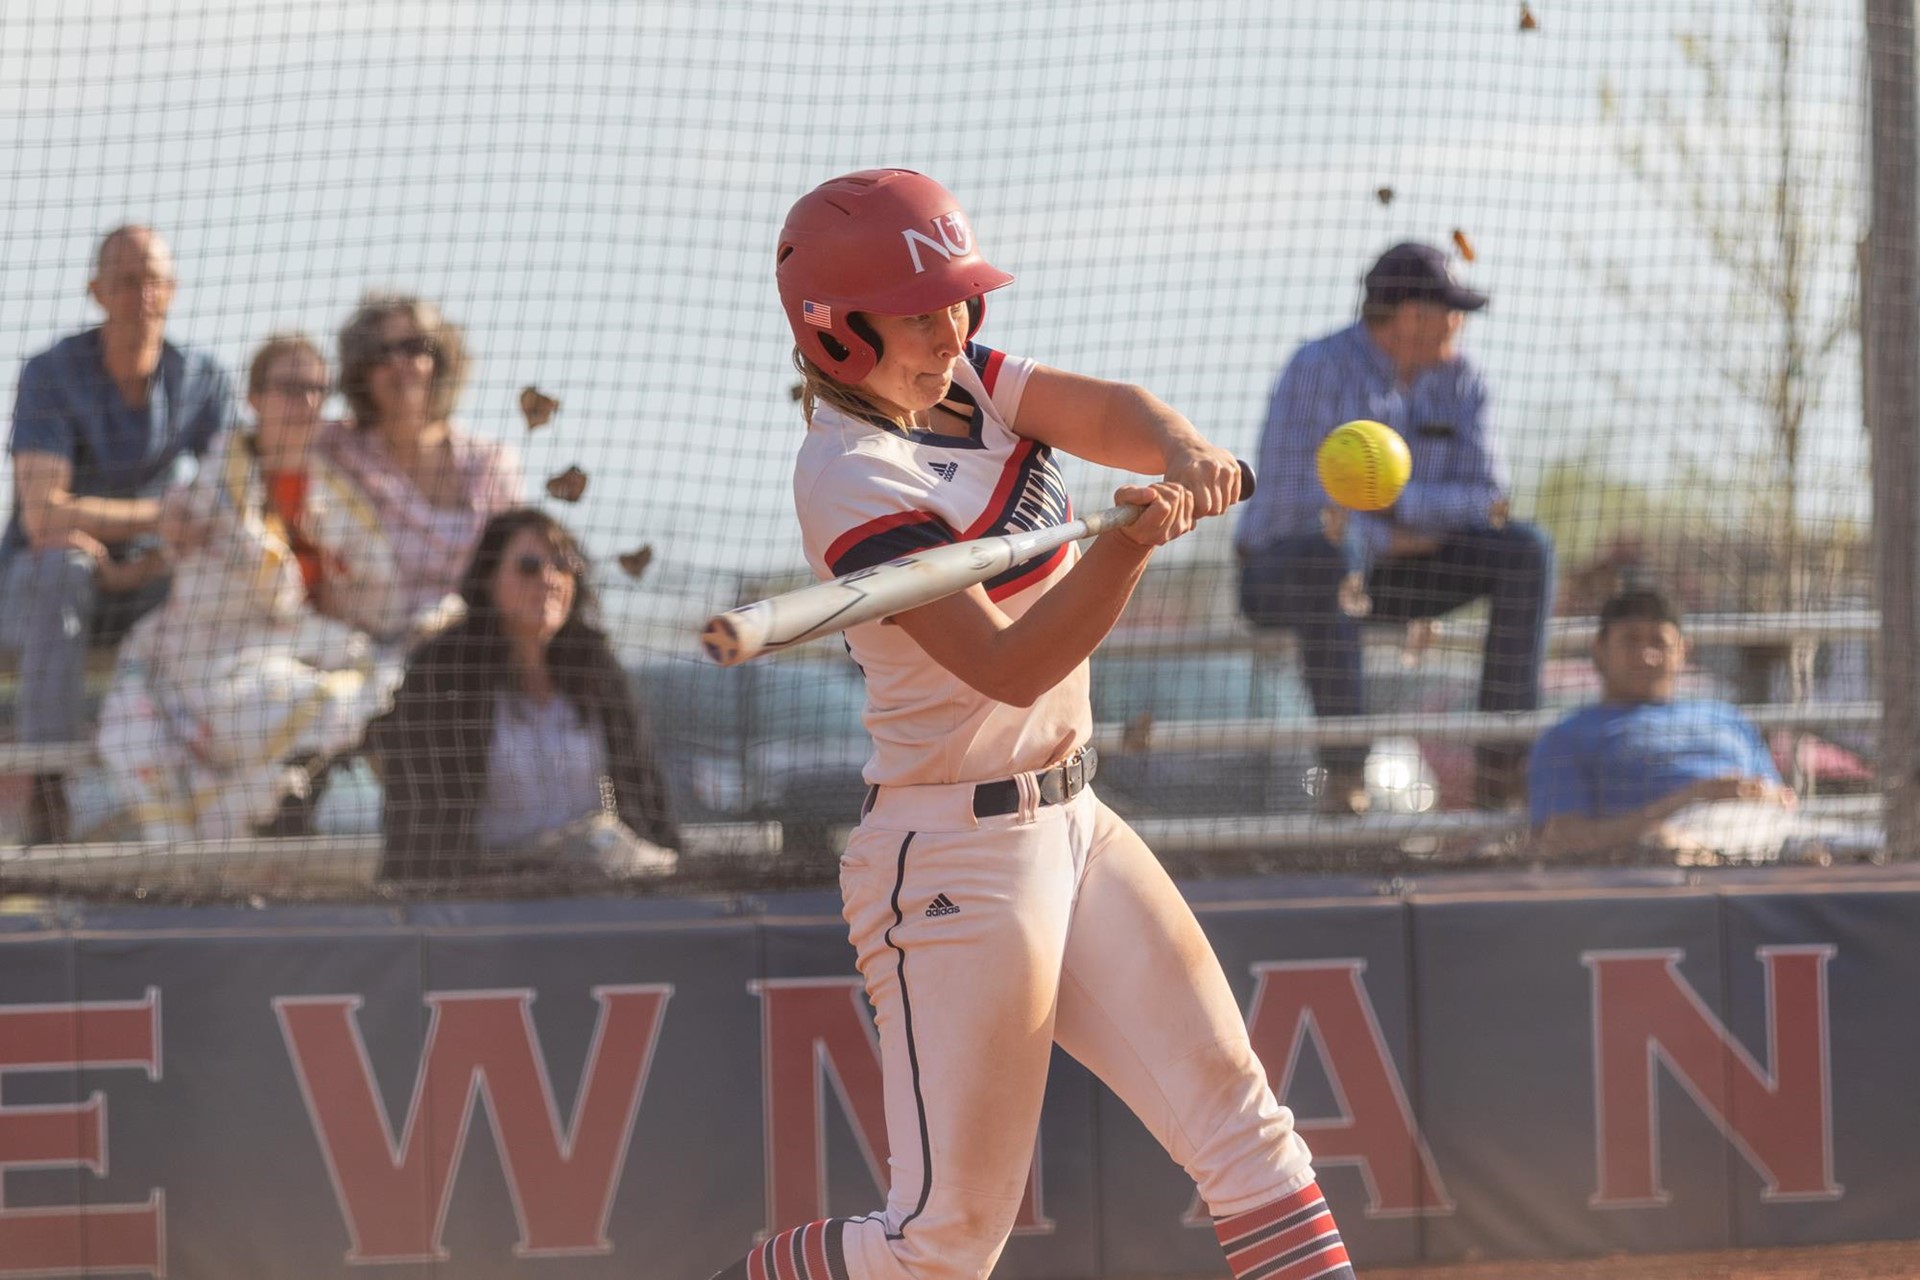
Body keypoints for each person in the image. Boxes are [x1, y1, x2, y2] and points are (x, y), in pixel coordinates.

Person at [707, 169, 1353, 1280]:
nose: (951, 328)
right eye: (918, 312)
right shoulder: (850, 473)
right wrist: (1125, 549)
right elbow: (1011, 665)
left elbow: (1109, 413)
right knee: (944, 1242)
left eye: (957, 302)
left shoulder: (965, 380)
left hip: (1075, 818)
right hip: (953, 853)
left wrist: (1180, 450)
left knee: (1244, 1128)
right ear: (837, 330)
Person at [1235, 241, 1554, 816]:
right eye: (1452, 310)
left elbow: (1490, 498)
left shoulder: (1463, 380)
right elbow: (1293, 507)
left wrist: (1397, 506)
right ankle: (1345, 776)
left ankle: (1502, 769)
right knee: (1330, 552)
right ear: (1411, 315)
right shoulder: (1317, 368)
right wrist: (1389, 533)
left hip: (1395, 576)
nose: (1460, 323)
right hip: (1286, 574)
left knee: (1525, 550)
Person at [95, 335, 406, 841]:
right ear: (255, 398)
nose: (306, 402)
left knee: (388, 685)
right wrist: (117, 572)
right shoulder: (213, 485)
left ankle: (311, 825)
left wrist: (336, 569)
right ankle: (272, 825)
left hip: (305, 647)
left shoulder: (336, 496)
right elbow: (179, 562)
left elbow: (376, 599)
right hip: (214, 653)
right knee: (301, 702)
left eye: (317, 390)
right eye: (290, 388)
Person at [0, 225, 235, 842]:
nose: (142, 296)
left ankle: (229, 773)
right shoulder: (51, 374)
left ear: (173, 289)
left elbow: (228, 497)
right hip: (44, 591)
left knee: (226, 568)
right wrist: (157, 520)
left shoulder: (202, 378)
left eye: (153, 281)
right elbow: (43, 516)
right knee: (62, 567)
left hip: (147, 580)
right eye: (126, 282)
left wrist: (152, 558)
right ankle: (48, 788)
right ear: (97, 292)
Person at [367, 507, 680, 882]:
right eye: (529, 566)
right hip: (487, 892)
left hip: (600, 887)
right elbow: (417, 813)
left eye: (563, 565)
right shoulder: (444, 673)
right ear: (488, 578)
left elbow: (647, 791)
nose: (549, 579)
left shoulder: (598, 670)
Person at [1528, 588, 1797, 860]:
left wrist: (1760, 794)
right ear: (1599, 650)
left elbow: (1784, 800)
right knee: (1665, 845)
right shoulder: (1567, 737)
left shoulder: (1727, 717)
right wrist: (1691, 798)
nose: (1646, 655)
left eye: (1659, 642)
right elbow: (1561, 839)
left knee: (1822, 848)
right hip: (1673, 846)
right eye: (1630, 641)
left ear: (1683, 651)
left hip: (1768, 829)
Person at [320, 292, 522, 643]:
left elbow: (513, 565)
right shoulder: (337, 449)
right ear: (360, 369)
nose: (399, 363)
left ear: (440, 359)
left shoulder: (490, 462)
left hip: (474, 645)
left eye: (414, 348)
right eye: (381, 353)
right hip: (365, 648)